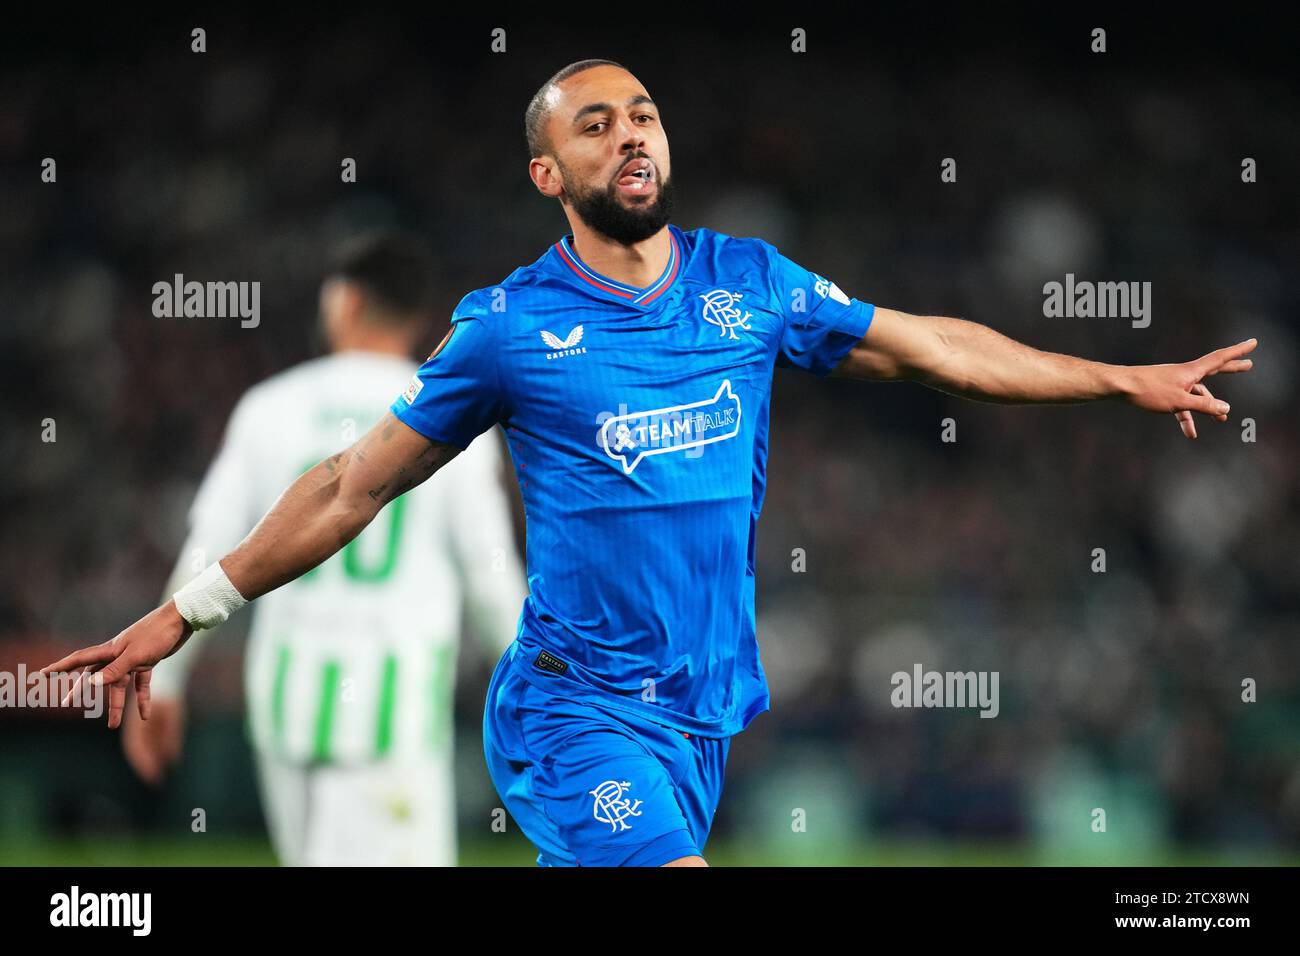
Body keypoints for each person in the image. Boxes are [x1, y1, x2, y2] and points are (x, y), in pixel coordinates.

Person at [44, 60, 1258, 868]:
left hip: (699, 712)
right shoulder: (510, 328)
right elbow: (348, 485)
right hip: (577, 710)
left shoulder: (748, 283)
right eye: (596, 124)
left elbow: (930, 346)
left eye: (644, 115)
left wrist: (1119, 377)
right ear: (549, 174)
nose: (630, 134)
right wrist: (187, 610)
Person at [117, 232, 526, 865]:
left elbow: (206, 552)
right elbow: (488, 575)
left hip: (287, 708)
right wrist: (540, 696)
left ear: (344, 302)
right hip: (393, 715)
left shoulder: (270, 408)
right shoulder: (451, 409)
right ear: (418, 317)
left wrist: (165, 680)